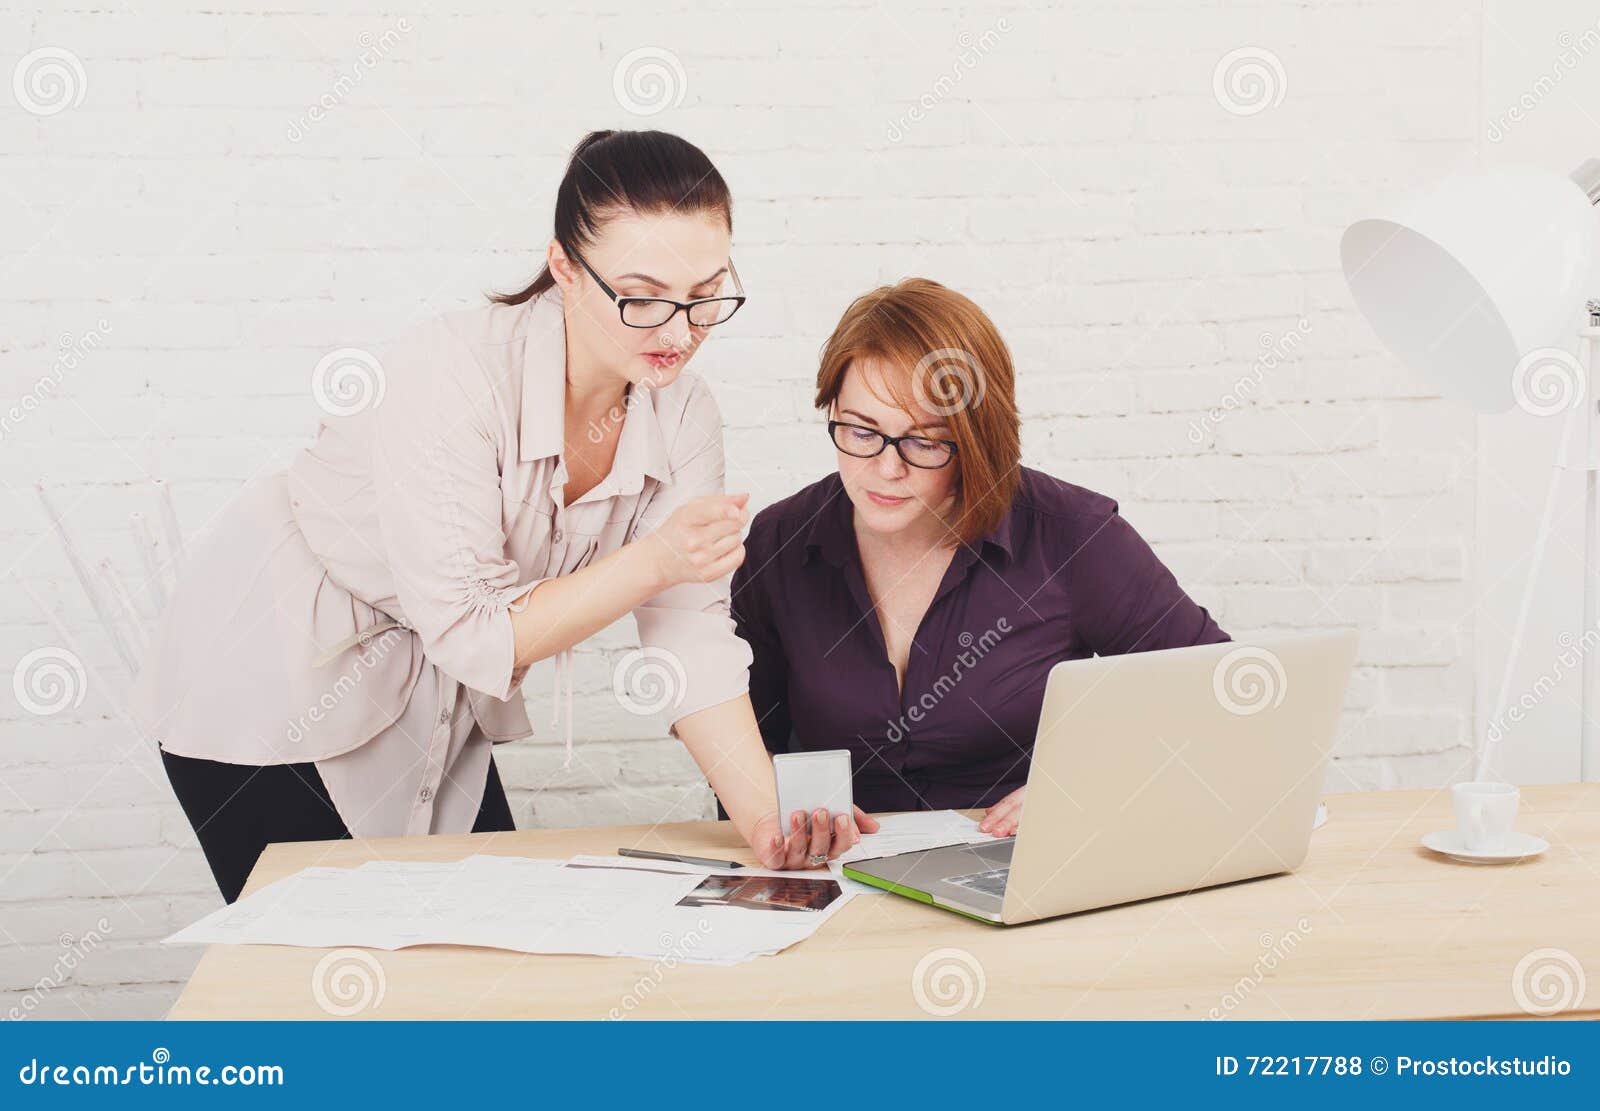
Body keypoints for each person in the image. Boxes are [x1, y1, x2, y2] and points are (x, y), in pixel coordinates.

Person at [133, 130, 872, 903]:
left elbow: (690, 633)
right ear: (564, 268)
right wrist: (655, 558)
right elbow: (472, 628)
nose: (680, 330)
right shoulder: (451, 370)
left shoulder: (684, 414)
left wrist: (769, 821)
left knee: (469, 960)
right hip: (268, 671)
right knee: (318, 977)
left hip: (434, 689)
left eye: (706, 294)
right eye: (643, 295)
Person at [730, 278, 1230, 838]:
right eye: (861, 430)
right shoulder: (781, 540)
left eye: (925, 440)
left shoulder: (1072, 536)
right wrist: (785, 827)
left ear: (977, 437)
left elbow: (1221, 693)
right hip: (843, 876)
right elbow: (742, 737)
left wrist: (1094, 784)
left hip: (1022, 863)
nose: (887, 469)